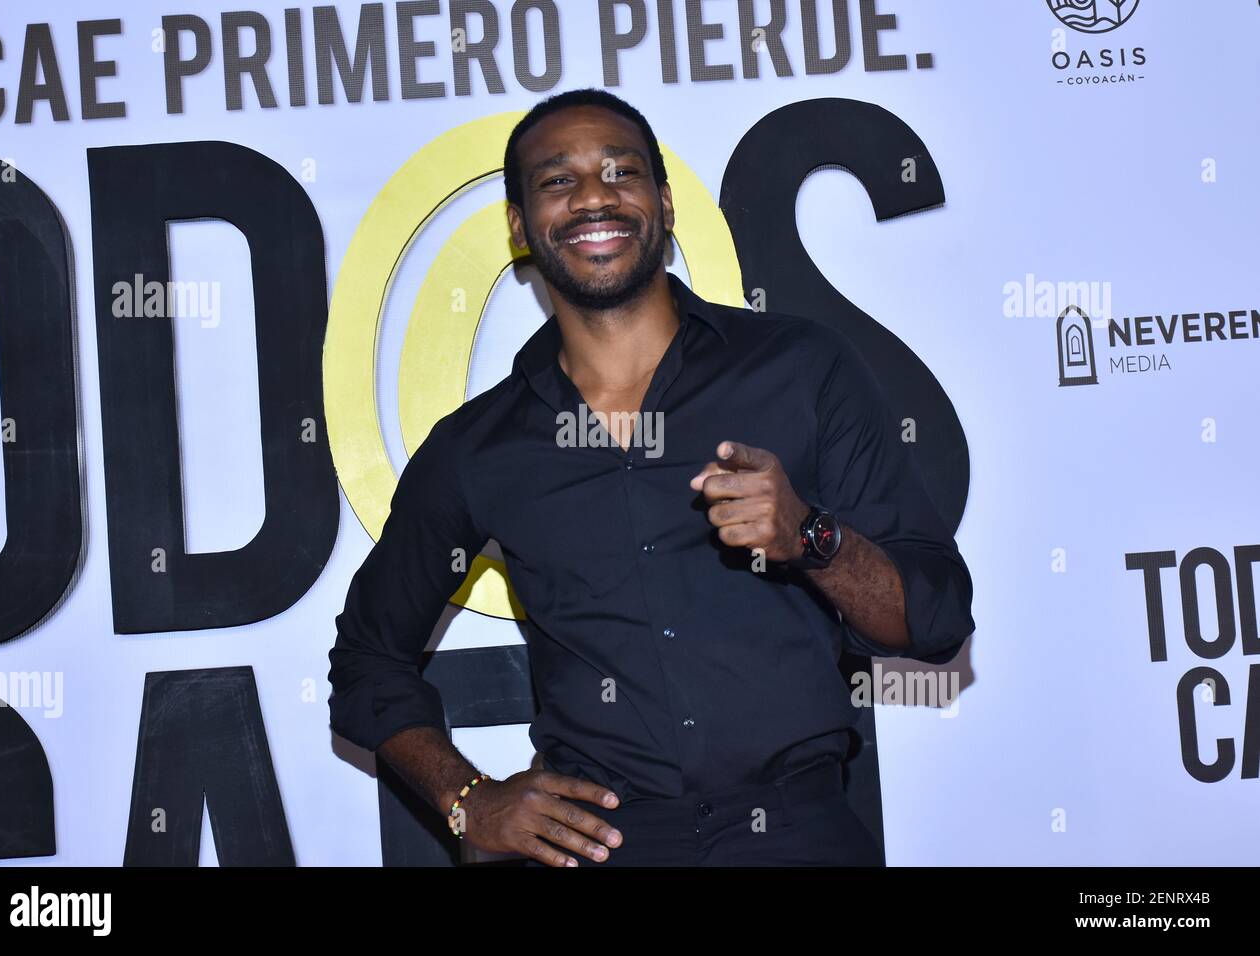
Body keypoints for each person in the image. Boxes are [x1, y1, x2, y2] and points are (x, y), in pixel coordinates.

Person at [327, 88, 975, 867]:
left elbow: (935, 619)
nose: (593, 195)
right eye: (557, 180)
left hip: (799, 833)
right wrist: (467, 801)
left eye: (620, 171)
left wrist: (810, 535)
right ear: (519, 226)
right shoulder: (480, 448)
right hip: (603, 843)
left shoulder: (799, 369)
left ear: (664, 205)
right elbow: (367, 657)